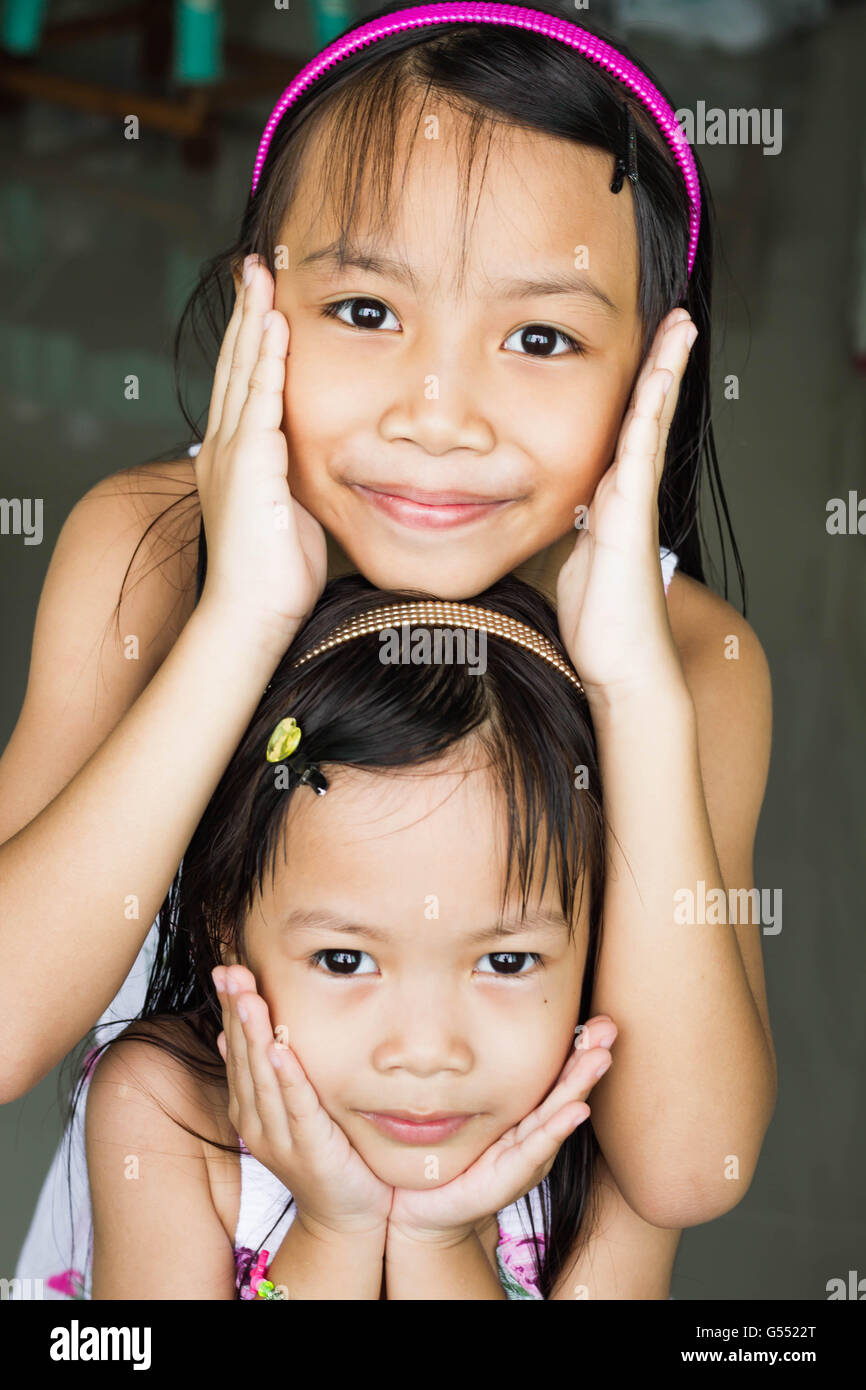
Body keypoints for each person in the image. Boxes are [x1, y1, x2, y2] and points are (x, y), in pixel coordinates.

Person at [4, 2, 775, 1298]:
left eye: (538, 338)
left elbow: (690, 1163)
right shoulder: (151, 549)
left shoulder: (689, 659)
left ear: (649, 374)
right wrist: (242, 618)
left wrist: (629, 686)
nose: (436, 412)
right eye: (366, 309)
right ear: (260, 304)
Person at [84, 570, 620, 1300]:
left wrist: (439, 1242)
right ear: (225, 930)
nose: (427, 1052)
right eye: (344, 959)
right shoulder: (165, 1112)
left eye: (505, 960)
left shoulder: (611, 1134)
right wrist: (337, 1229)